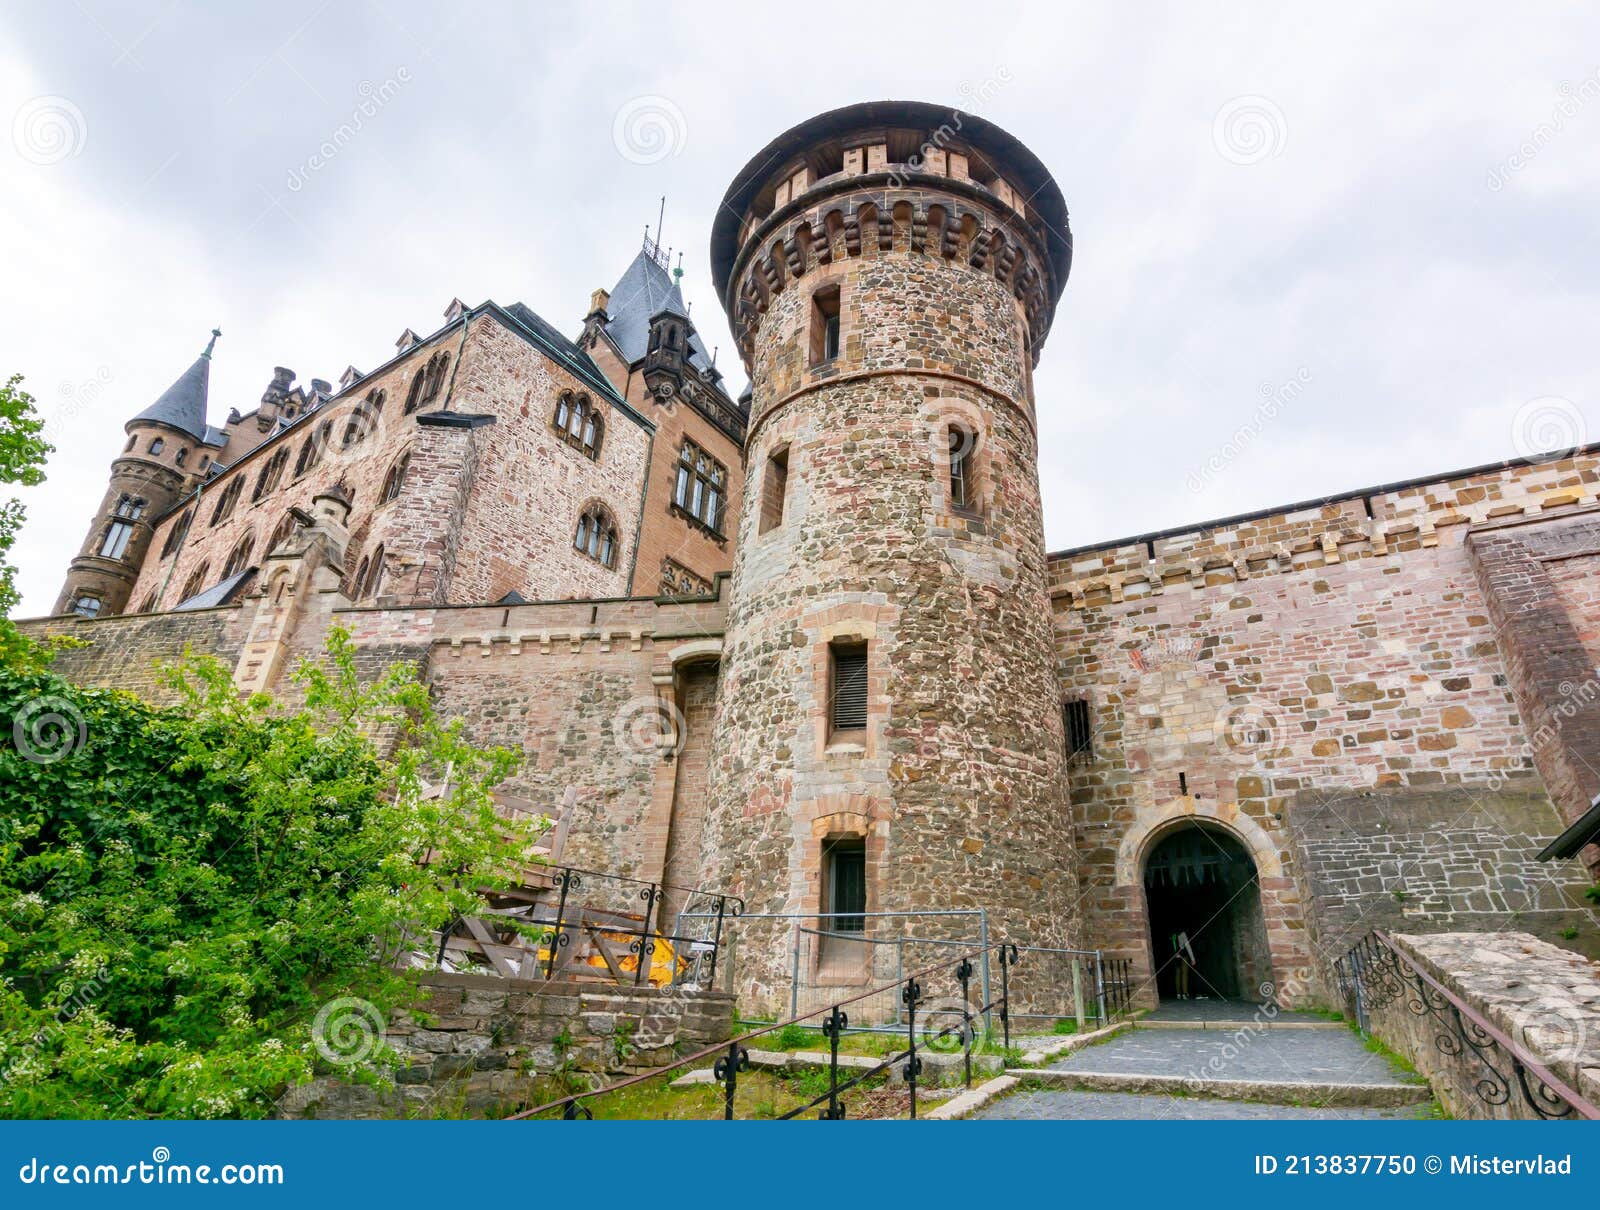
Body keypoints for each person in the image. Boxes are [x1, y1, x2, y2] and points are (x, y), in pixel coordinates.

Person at [1170, 930, 1197, 999]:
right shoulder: (1182, 934)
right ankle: (1184, 993)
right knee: (1184, 974)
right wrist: (1192, 959)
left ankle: (1179, 993)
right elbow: (1187, 946)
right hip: (1182, 954)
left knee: (1178, 973)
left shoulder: (1172, 934)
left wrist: (1175, 954)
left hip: (1176, 955)